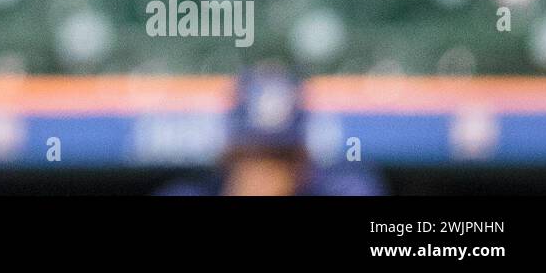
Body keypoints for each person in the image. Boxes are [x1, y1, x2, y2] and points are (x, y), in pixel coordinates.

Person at [157, 65, 385, 196]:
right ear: (229, 156)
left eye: (280, 157)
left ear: (301, 161)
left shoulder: (341, 189)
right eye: (252, 155)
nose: (265, 171)